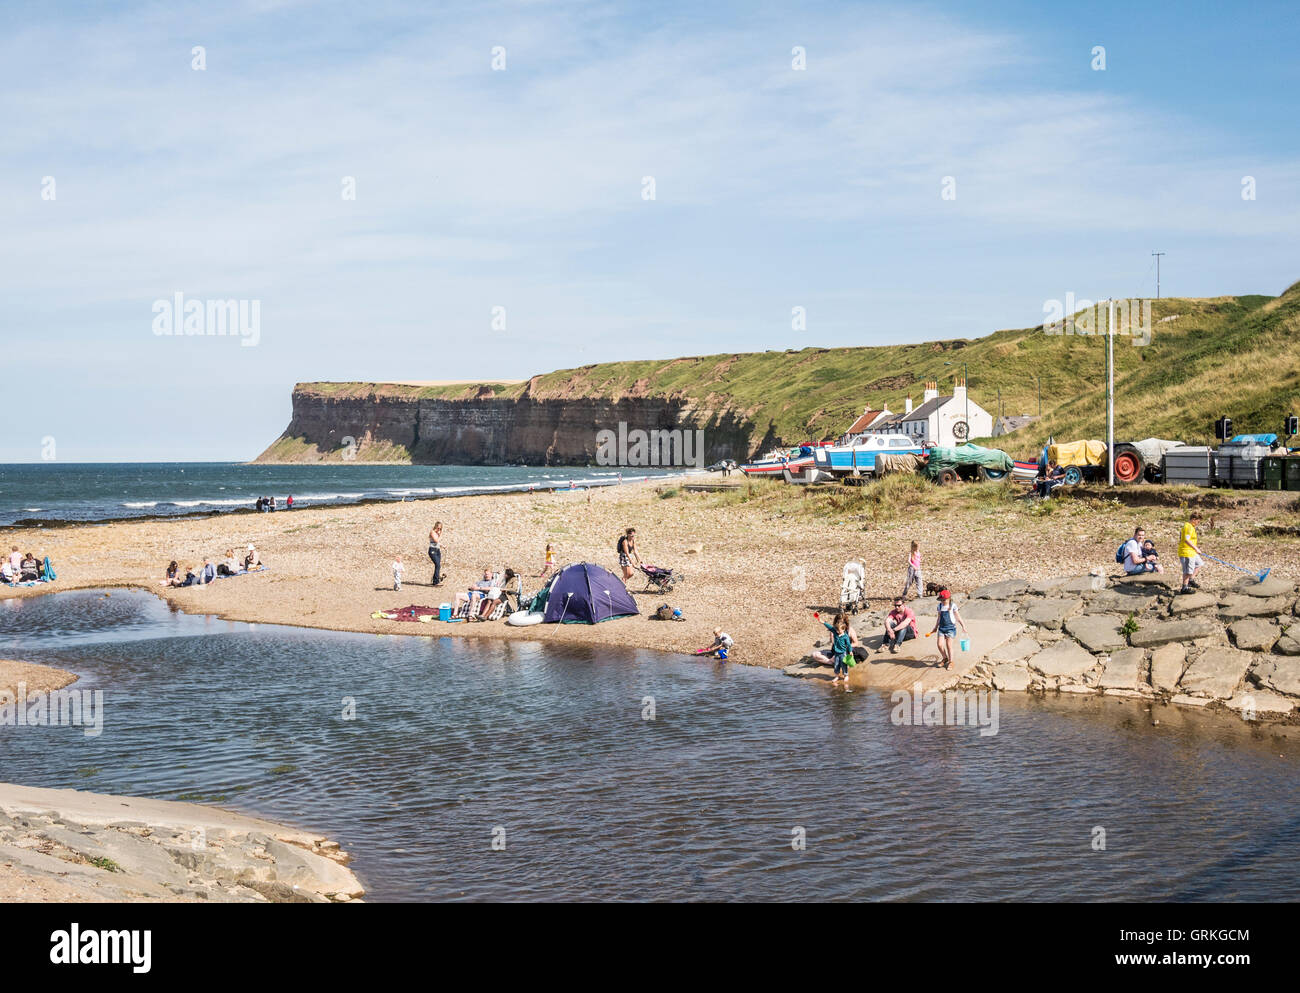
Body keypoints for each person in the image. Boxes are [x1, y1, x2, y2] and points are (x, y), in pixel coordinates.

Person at [811, 612, 854, 688]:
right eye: (836, 630)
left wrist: (850, 651)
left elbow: (849, 645)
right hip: (836, 653)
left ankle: (846, 675)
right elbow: (830, 627)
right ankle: (837, 676)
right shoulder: (835, 632)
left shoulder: (845, 636)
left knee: (844, 665)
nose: (837, 632)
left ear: (843, 629)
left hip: (843, 653)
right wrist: (823, 622)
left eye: (839, 630)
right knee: (836, 665)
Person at [930, 589, 967, 670]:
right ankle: (945, 657)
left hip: (951, 628)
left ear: (949, 598)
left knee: (949, 645)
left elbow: (958, 617)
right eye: (941, 600)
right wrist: (935, 627)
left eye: (944, 600)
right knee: (939, 645)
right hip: (941, 628)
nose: (943, 601)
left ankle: (951, 661)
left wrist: (963, 626)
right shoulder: (939, 606)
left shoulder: (953, 606)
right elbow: (939, 618)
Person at [1178, 512, 1204, 593]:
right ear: (1193, 519)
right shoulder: (1188, 527)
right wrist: (1196, 548)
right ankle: (1184, 588)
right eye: (1198, 521)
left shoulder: (1191, 527)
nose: (1198, 523)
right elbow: (1186, 540)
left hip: (1191, 552)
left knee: (1199, 563)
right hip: (1186, 552)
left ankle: (1190, 580)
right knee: (1188, 571)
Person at [428, 521, 444, 586]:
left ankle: (436, 579)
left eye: (440, 529)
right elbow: (436, 540)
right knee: (437, 565)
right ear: (435, 527)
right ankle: (435, 581)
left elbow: (438, 542)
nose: (439, 530)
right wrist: (439, 535)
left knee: (438, 565)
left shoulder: (437, 533)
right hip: (432, 550)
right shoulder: (432, 532)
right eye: (438, 528)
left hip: (437, 550)